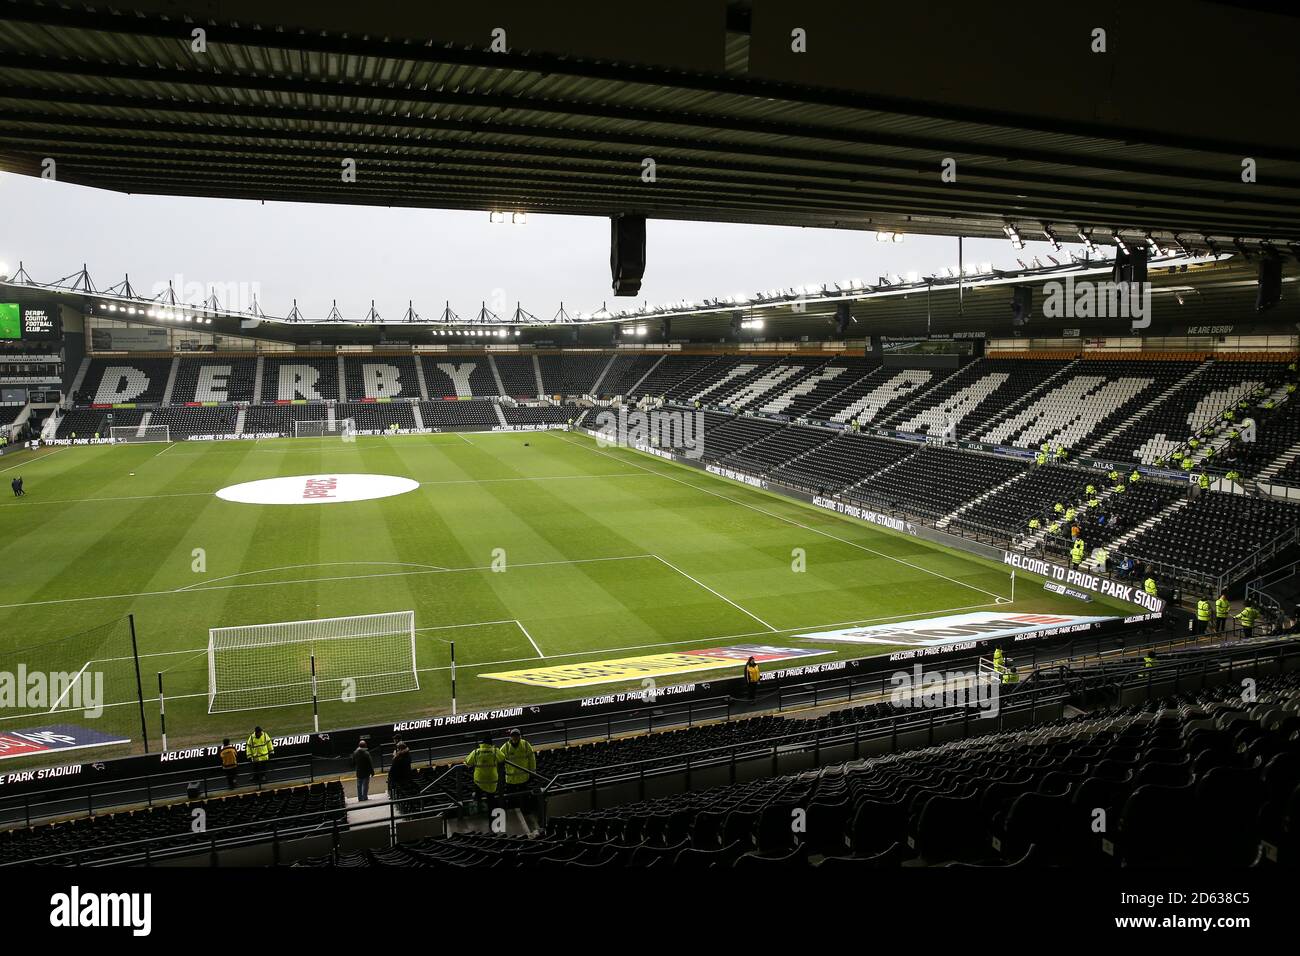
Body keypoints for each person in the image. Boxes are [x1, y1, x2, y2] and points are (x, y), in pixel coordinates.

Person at [464, 734, 503, 811]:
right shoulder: (495, 751)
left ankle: (478, 810)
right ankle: (492, 815)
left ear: (482, 743)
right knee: (491, 798)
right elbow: (502, 758)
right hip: (491, 781)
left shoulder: (476, 752)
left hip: (479, 780)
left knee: (478, 795)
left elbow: (468, 762)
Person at [499, 729, 537, 807]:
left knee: (524, 797)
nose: (515, 737)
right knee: (512, 798)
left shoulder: (526, 745)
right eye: (513, 735)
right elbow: (499, 759)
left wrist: (533, 772)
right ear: (510, 737)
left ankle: (524, 810)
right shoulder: (505, 747)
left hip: (523, 778)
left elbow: (532, 760)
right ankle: (514, 811)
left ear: (520, 736)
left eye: (517, 735)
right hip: (511, 779)